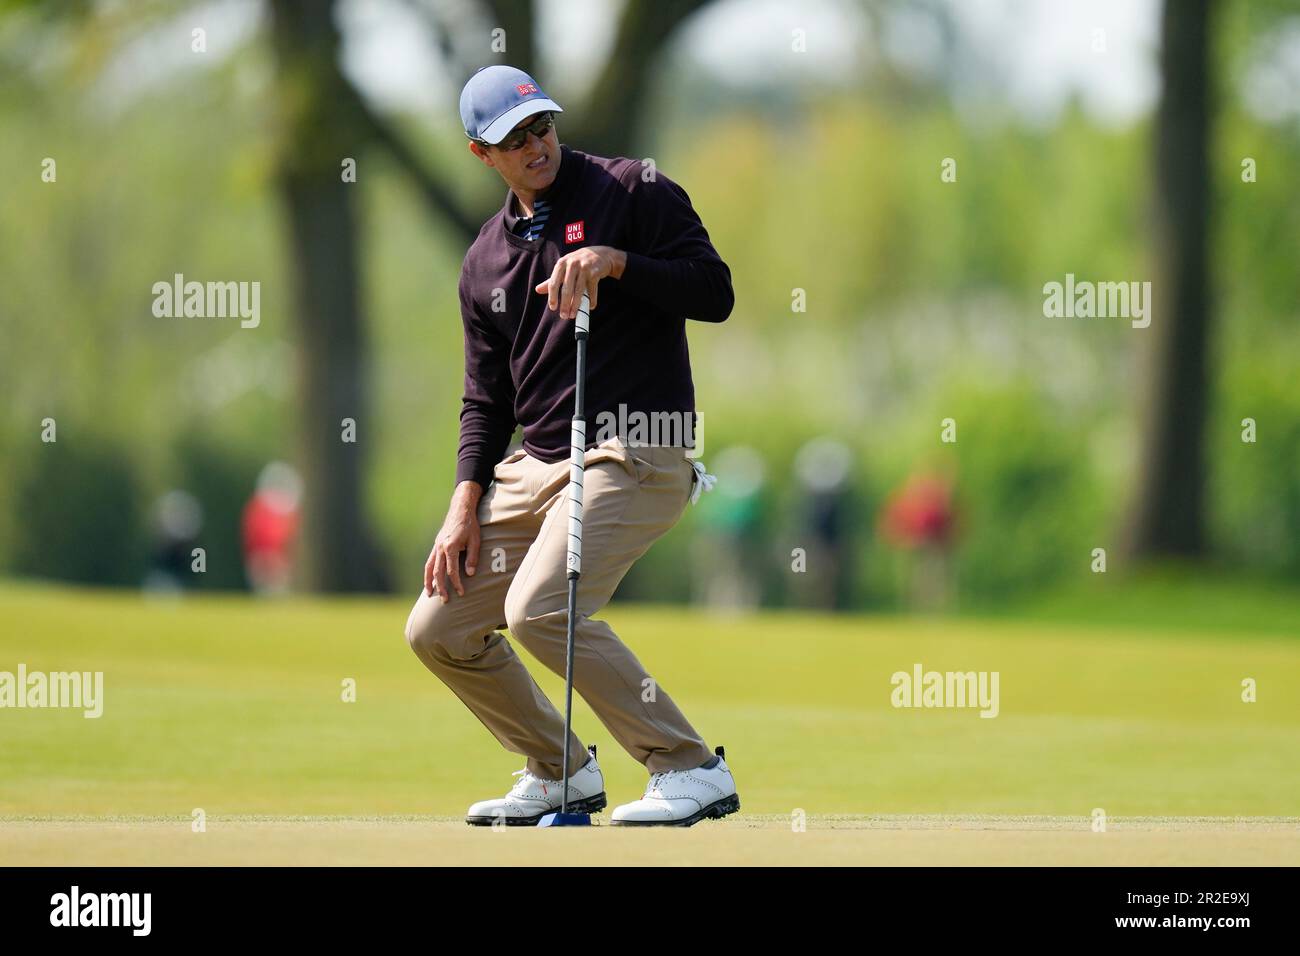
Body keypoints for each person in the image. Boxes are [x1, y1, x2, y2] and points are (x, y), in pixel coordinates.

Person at [404, 65, 740, 827]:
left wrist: (617, 262)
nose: (535, 146)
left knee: (537, 609)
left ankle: (689, 768)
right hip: (537, 464)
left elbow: (714, 291)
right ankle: (561, 773)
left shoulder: (633, 191)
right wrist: (464, 505)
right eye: (513, 140)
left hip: (640, 447)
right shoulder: (484, 260)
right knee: (438, 627)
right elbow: (485, 401)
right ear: (479, 154)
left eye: (541, 128)